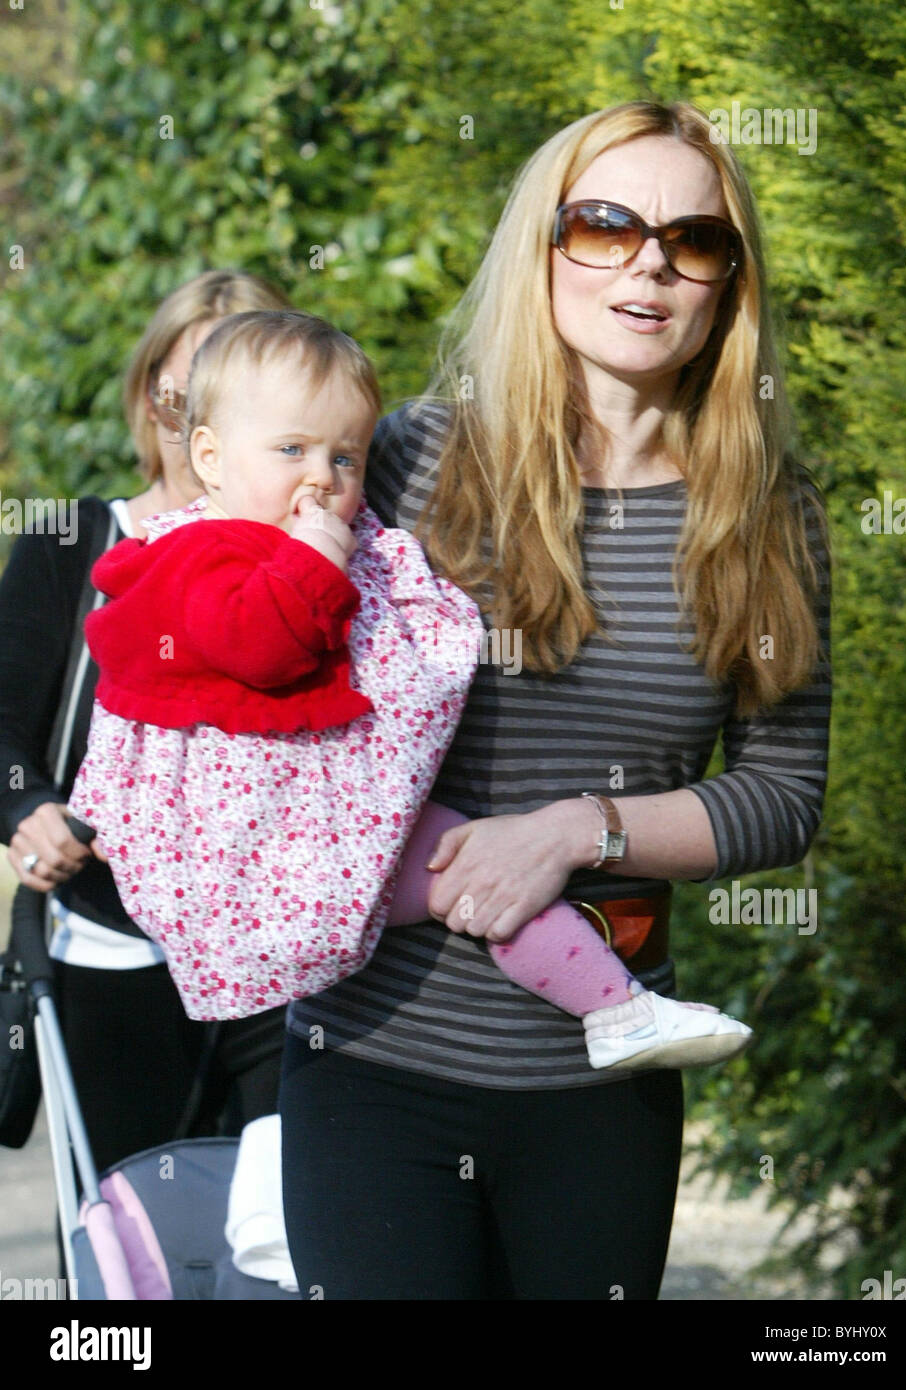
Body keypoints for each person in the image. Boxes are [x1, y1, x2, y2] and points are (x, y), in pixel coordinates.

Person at [277, 99, 833, 1300]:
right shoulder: (409, 463)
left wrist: (581, 829)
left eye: (694, 240)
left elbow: (784, 795)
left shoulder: (768, 516)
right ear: (546, 245)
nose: (648, 262)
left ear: (729, 283)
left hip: (603, 1086)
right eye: (606, 224)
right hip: (373, 1064)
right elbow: (269, 690)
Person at [68, 308, 751, 1077]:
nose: (322, 478)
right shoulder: (195, 552)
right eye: (291, 449)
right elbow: (257, 648)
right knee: (459, 866)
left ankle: (614, 1010)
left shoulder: (326, 538)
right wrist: (312, 569)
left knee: (467, 865)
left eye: (347, 457)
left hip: (320, 800)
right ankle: (615, 1007)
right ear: (210, 456)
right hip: (262, 837)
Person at [0, 269, 294, 1174]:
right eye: (178, 398)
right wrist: (26, 811)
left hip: (281, 970)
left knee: (284, 1248)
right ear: (148, 401)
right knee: (125, 1247)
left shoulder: (319, 567)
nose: (195, 427)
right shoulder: (73, 541)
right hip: (111, 960)